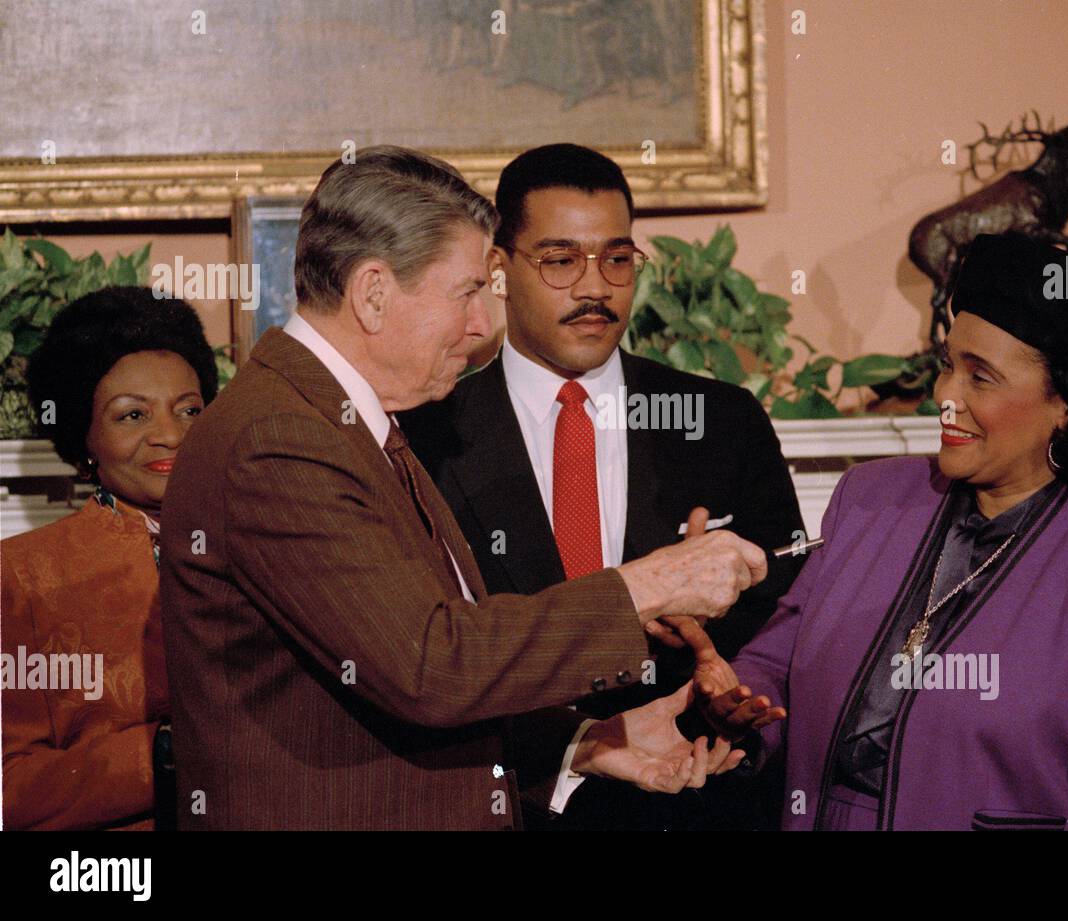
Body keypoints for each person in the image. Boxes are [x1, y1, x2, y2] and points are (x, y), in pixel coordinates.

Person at [158, 145, 766, 830]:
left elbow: (408, 675)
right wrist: (647, 586)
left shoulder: (351, 423)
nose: (484, 326)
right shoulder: (280, 440)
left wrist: (579, 744)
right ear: (373, 292)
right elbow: (429, 664)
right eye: (469, 292)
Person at [701, 232, 1068, 830]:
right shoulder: (868, 501)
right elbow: (775, 664)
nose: (945, 397)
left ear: (1067, 405)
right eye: (948, 366)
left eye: (982, 377)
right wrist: (740, 702)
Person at [398, 143, 804, 830]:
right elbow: (424, 655)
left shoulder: (724, 420)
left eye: (617, 259)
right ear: (498, 268)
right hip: (511, 804)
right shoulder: (426, 436)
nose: (596, 288)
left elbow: (788, 602)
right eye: (561, 260)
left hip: (695, 801)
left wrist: (732, 690)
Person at [2, 287, 217, 830]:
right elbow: (9, 787)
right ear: (85, 435)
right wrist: (160, 754)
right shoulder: (22, 574)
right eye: (131, 416)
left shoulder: (268, 546)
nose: (168, 435)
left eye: (189, 409)